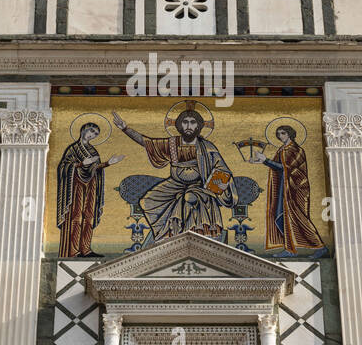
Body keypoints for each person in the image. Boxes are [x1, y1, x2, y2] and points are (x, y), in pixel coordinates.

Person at [112, 107, 237, 242]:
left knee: (189, 198)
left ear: (199, 126)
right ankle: (166, 234)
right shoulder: (172, 144)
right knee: (147, 201)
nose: (189, 126)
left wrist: (212, 188)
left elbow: (222, 169)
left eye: (193, 122)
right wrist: (125, 129)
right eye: (185, 122)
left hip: (199, 185)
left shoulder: (207, 146)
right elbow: (146, 142)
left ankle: (191, 236)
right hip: (174, 183)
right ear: (179, 125)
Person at [251, 125, 327, 258]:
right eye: (279, 133)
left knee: (299, 218)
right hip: (283, 188)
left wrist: (265, 160)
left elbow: (288, 168)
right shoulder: (282, 150)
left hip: (295, 189)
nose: (281, 136)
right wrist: (260, 161)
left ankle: (320, 246)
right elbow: (277, 166)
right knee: (279, 217)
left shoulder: (296, 150)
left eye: (283, 133)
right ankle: (289, 248)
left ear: (290, 134)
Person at [55, 123, 123, 257]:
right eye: (91, 132)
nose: (92, 135)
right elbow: (63, 167)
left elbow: (95, 168)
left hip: (91, 185)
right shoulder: (73, 149)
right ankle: (73, 250)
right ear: (84, 130)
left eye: (95, 134)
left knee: (89, 215)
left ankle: (85, 249)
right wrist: (81, 164)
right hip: (75, 186)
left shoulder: (92, 151)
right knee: (76, 216)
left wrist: (108, 163)